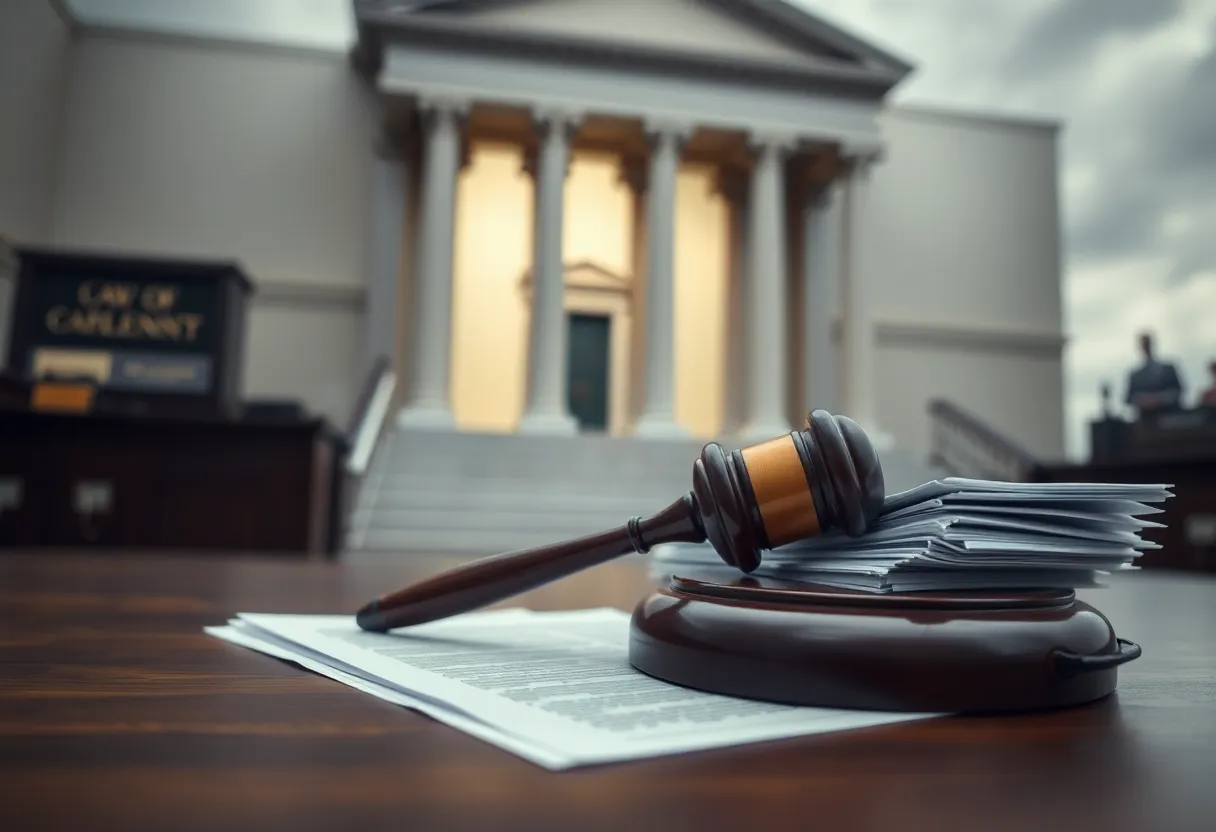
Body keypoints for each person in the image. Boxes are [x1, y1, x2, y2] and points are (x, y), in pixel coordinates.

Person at [1124, 332, 1184, 416]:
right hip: (1146, 420)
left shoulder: (1168, 369)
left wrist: (1159, 399)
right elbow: (1129, 399)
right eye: (1144, 344)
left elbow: (1178, 391)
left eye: (1147, 343)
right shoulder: (1135, 376)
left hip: (1169, 416)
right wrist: (1143, 401)